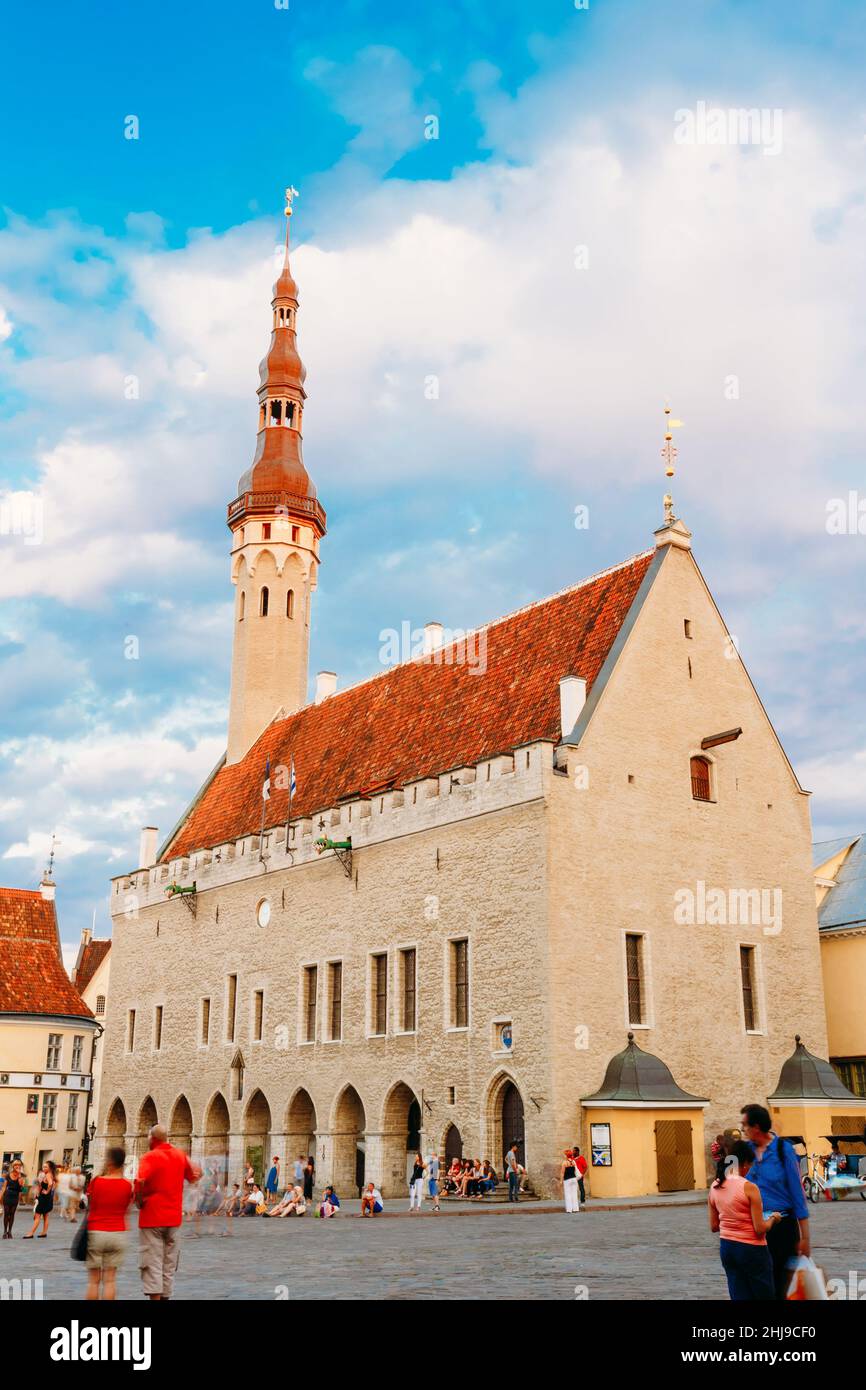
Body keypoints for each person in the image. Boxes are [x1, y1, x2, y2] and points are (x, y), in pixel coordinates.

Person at [739, 1104, 811, 1300]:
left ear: (756, 1127)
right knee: (758, 1282)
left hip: (781, 1227)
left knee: (781, 1283)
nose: (743, 1130)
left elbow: (797, 1193)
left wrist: (805, 1236)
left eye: (745, 1125)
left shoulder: (783, 1150)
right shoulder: (745, 1152)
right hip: (755, 1227)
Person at [134, 1123, 201, 1300]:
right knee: (169, 1264)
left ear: (153, 1138)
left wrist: (139, 1200)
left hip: (152, 1218)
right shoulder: (180, 1155)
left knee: (152, 1262)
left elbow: (139, 1181)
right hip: (173, 1218)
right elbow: (195, 1174)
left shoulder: (150, 1157)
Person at [708, 1140, 780, 1300]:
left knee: (739, 1295)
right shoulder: (749, 1187)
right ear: (745, 1164)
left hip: (727, 1248)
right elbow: (760, 1228)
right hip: (752, 1250)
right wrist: (774, 1218)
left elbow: (714, 1226)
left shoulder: (714, 1186)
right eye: (750, 1165)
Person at [85, 1146, 134, 1301]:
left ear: (109, 1162)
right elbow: (129, 1207)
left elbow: (90, 1204)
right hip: (118, 1232)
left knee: (93, 1281)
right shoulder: (128, 1185)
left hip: (96, 1231)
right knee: (110, 1280)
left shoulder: (97, 1181)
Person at [24, 1160, 56, 1238]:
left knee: (37, 1215)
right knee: (45, 1215)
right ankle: (44, 1232)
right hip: (48, 1198)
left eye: (46, 1167)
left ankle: (31, 1233)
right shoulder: (51, 1174)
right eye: (43, 1166)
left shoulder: (48, 1175)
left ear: (50, 1168)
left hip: (44, 1198)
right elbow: (53, 1185)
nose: (43, 1168)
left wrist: (47, 1191)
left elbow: (51, 1184)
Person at [0, 1160, 24, 1238]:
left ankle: (9, 1231)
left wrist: (19, 1175)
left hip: (15, 1196)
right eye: (16, 1165)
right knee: (6, 1213)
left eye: (19, 1165)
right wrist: (0, 1196)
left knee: (12, 1214)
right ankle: (4, 1231)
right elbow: (4, 1187)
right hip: (7, 1195)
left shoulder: (21, 1177)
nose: (17, 1166)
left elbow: (21, 1188)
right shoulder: (7, 1175)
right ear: (13, 1166)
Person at [561, 1149, 580, 1213]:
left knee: (568, 1194)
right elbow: (574, 1171)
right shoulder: (573, 1162)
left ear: (566, 1156)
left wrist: (561, 1181)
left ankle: (569, 1209)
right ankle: (575, 1209)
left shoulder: (564, 1162)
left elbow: (562, 1173)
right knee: (574, 1194)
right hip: (574, 1179)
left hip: (567, 1180)